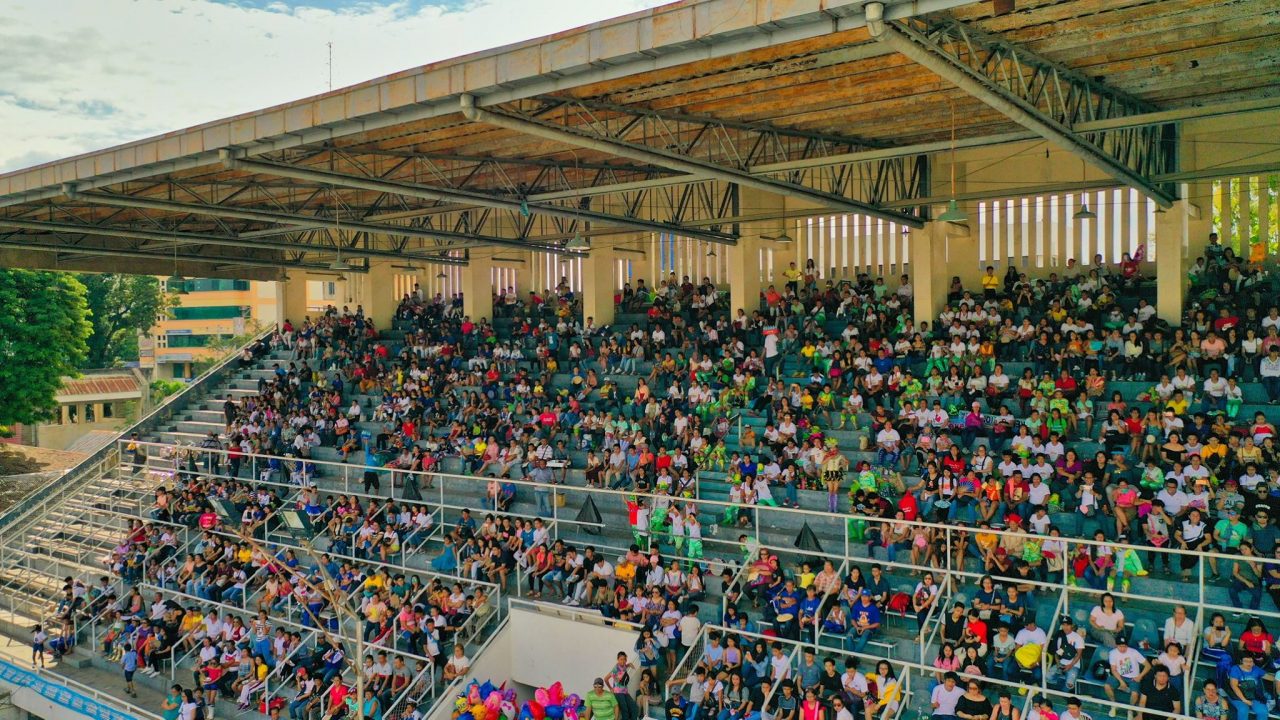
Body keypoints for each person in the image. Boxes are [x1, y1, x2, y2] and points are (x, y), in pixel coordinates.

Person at [1104, 636, 1149, 718]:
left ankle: (1130, 710)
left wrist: (1140, 676)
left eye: (1124, 646)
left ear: (1127, 645)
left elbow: (1148, 666)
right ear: (1116, 645)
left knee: (1135, 694)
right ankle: (1113, 705)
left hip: (1133, 677)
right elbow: (1113, 670)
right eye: (1120, 646)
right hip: (1119, 675)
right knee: (1107, 686)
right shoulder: (1113, 653)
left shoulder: (1134, 652)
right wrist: (1121, 682)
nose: (1122, 648)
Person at [1046, 616, 1085, 692]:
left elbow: (1079, 654)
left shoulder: (1077, 637)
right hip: (1061, 662)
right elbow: (1057, 653)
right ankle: (1059, 686)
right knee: (1048, 677)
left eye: (1067, 625)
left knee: (1069, 684)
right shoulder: (1059, 635)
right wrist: (1058, 663)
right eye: (1063, 625)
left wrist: (1070, 665)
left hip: (1073, 664)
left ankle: (1063, 691)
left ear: (1071, 625)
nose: (1065, 627)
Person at [1227, 653, 1269, 720]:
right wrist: (1244, 700)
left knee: (1263, 712)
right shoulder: (1235, 669)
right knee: (1243, 710)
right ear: (1241, 661)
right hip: (1237, 696)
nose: (1249, 664)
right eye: (1246, 661)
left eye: (1251, 661)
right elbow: (1234, 686)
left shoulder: (1256, 669)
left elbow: (1268, 676)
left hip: (1252, 695)